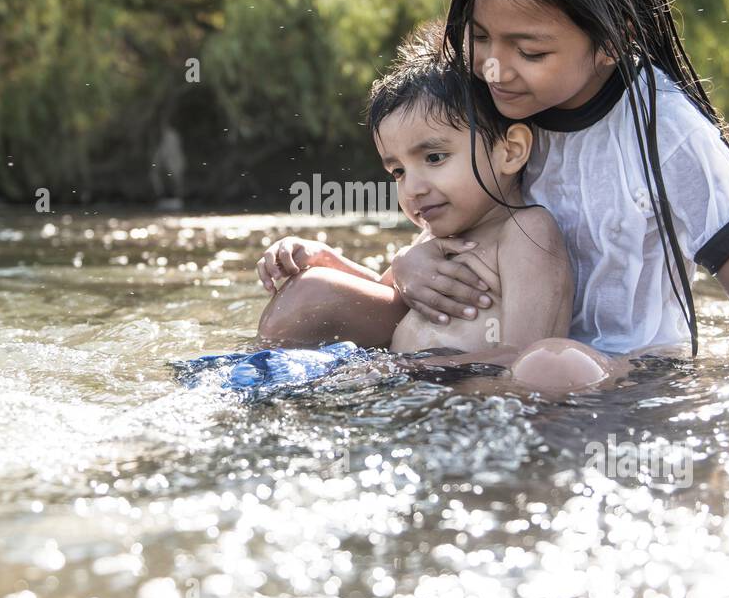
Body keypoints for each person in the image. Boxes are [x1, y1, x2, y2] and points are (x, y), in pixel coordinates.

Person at [262, 0, 729, 370]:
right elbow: (456, 230)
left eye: (531, 51)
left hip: (606, 373)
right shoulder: (483, 95)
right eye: (478, 37)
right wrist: (405, 266)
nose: (495, 68)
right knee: (307, 299)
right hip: (481, 339)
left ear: (613, 40)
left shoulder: (669, 134)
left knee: (550, 365)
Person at [257, 23, 613, 397]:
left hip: (473, 399)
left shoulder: (524, 233)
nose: (413, 187)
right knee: (306, 293)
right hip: (412, 389)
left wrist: (404, 370)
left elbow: (524, 357)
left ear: (509, 151)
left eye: (435, 157)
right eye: (397, 171)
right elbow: (385, 298)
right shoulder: (434, 236)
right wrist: (325, 260)